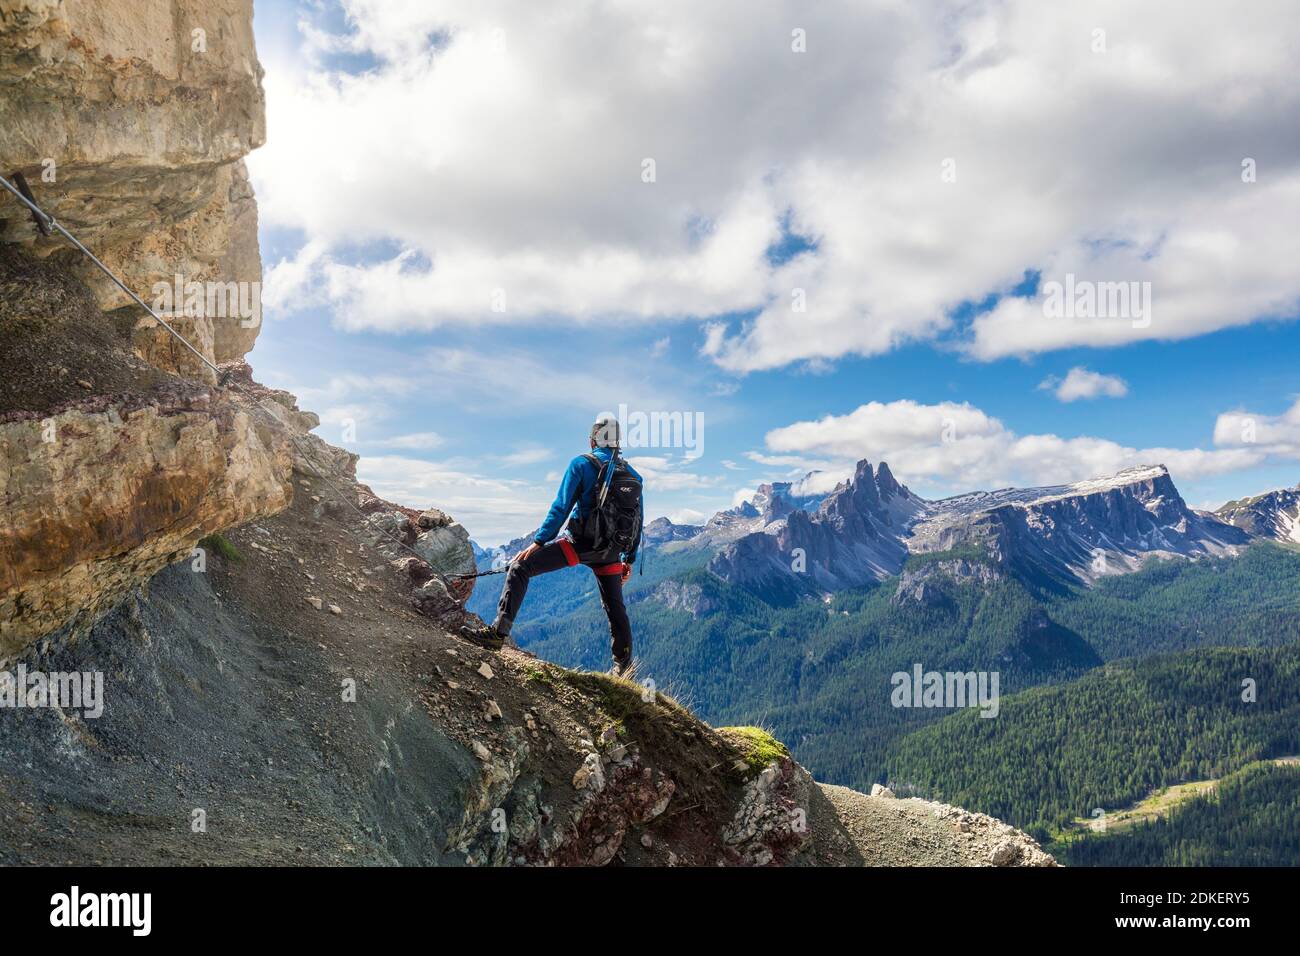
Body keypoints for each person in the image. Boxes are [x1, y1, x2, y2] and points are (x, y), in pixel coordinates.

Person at [461, 415, 644, 675]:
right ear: (618, 442)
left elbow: (561, 508)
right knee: (615, 607)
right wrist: (628, 559)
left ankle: (497, 635)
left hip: (579, 545)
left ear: (593, 439)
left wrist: (539, 541)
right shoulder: (633, 476)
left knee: (520, 567)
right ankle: (623, 668)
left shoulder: (581, 464)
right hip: (611, 551)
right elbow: (638, 520)